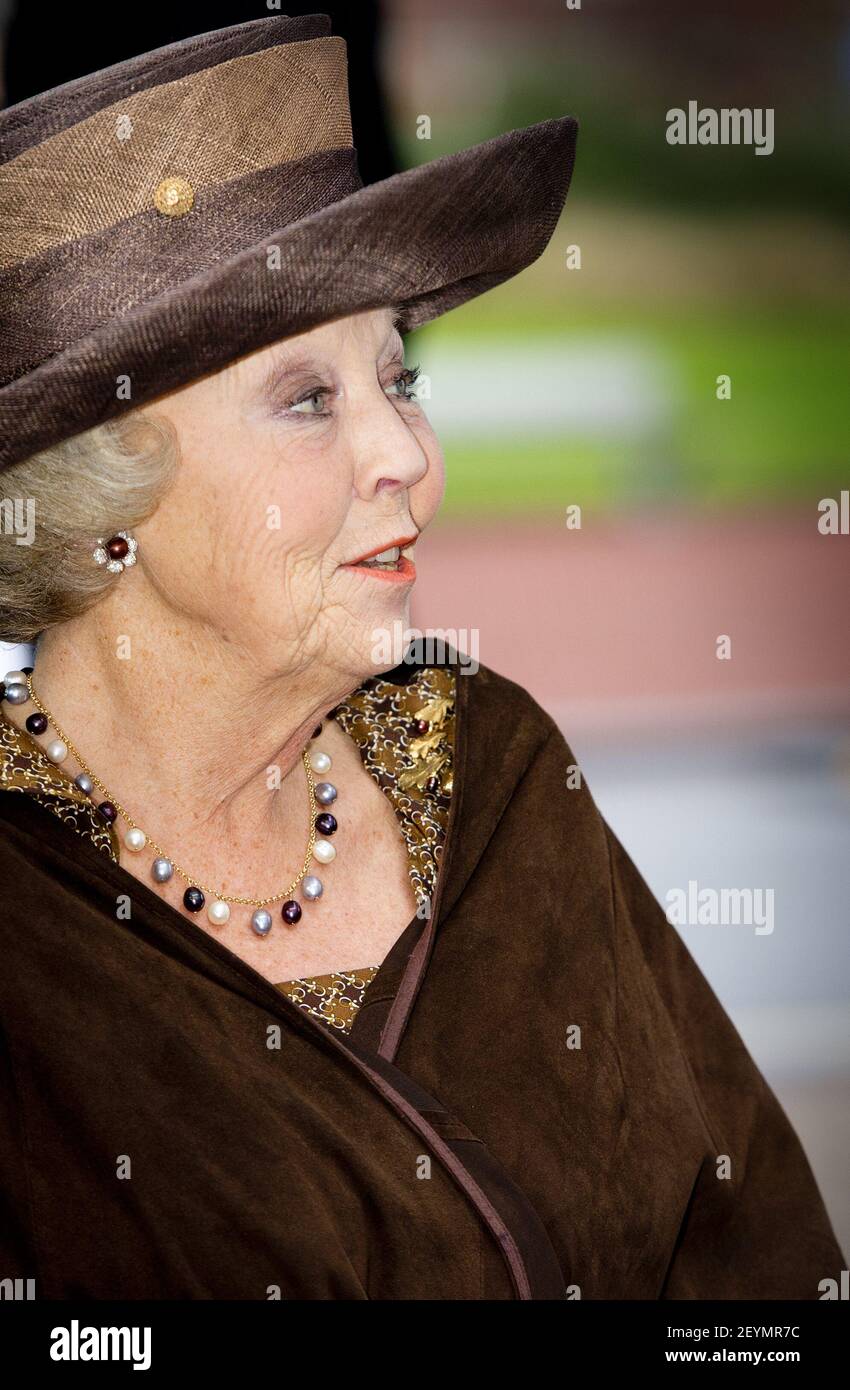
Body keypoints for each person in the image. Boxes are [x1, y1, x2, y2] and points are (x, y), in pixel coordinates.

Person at [0, 13, 842, 1300]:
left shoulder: (496, 769)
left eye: (398, 378)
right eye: (306, 399)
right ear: (104, 491)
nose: (408, 458)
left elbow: (758, 1273)